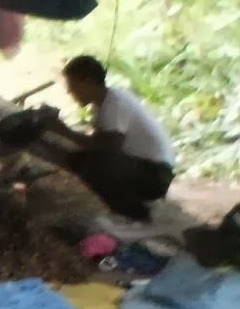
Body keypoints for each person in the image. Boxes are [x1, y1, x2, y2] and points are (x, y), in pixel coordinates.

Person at [48, 55, 176, 219]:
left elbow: (108, 147)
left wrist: (64, 131)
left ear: (88, 82)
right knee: (78, 160)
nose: (69, 91)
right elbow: (98, 141)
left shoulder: (114, 102)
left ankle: (137, 214)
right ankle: (126, 208)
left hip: (156, 175)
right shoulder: (103, 103)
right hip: (147, 170)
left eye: (72, 86)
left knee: (97, 164)